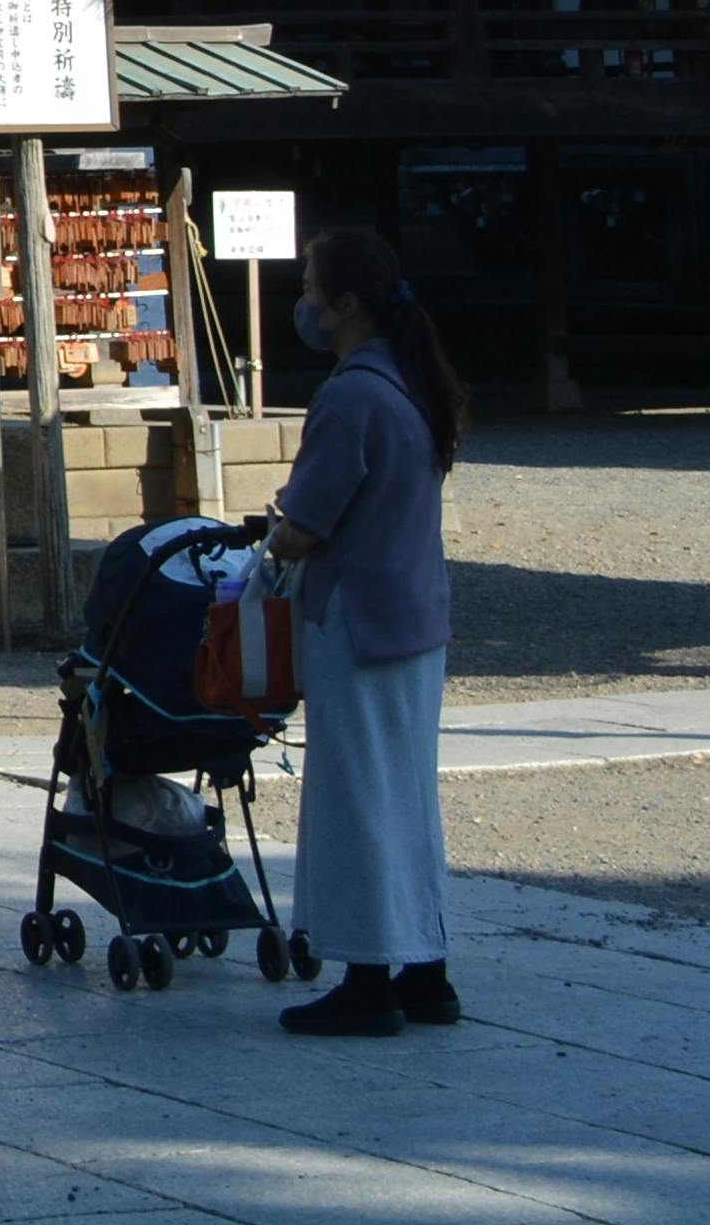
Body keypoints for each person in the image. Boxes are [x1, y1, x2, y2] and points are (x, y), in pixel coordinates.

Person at [264, 222, 466, 1038]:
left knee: (356, 800)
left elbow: (306, 524)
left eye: (313, 289)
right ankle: (427, 971)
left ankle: (366, 976)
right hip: (416, 612)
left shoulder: (350, 395)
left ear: (347, 303)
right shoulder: (415, 381)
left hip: (356, 619)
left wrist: (275, 540)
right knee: (410, 797)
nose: (306, 304)